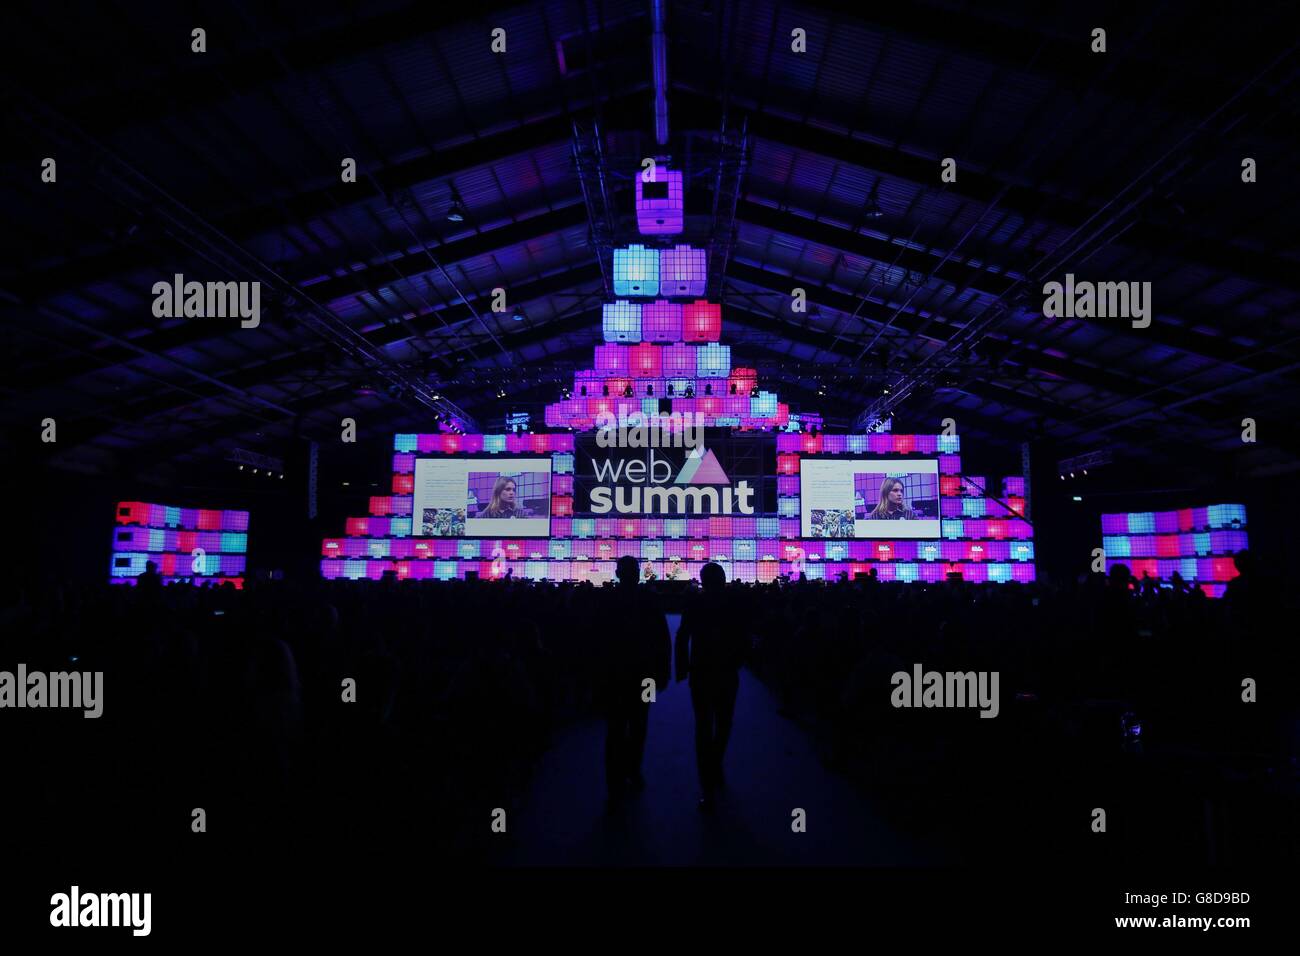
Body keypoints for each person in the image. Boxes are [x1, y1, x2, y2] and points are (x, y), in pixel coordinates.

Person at [599, 556, 671, 805]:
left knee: (615, 727)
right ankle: (633, 771)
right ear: (638, 573)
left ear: (618, 573)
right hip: (645, 675)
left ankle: (614, 783)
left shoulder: (606, 600)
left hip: (614, 676)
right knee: (640, 723)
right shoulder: (649, 600)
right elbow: (663, 638)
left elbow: (597, 642)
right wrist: (663, 671)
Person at [676, 562, 748, 810]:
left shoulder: (696, 602)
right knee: (723, 723)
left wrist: (681, 669)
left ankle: (708, 778)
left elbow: (683, 636)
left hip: (703, 672)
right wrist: (739, 661)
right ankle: (713, 768)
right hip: (725, 671)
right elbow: (744, 635)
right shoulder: (734, 603)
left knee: (704, 726)